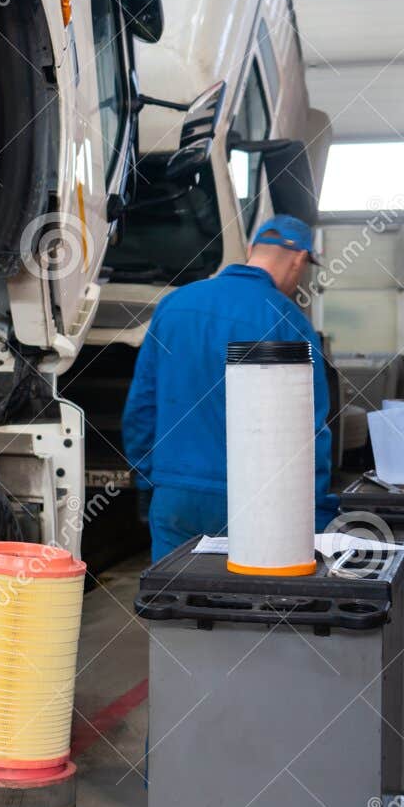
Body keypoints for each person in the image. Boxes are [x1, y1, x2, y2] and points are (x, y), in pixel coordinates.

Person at [122, 214, 336, 561]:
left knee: (172, 605)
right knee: (245, 606)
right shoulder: (287, 321)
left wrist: (150, 479)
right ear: (299, 261)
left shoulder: (174, 304)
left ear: (251, 249)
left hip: (175, 492)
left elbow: (141, 405)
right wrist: (316, 510)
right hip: (254, 501)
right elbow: (309, 430)